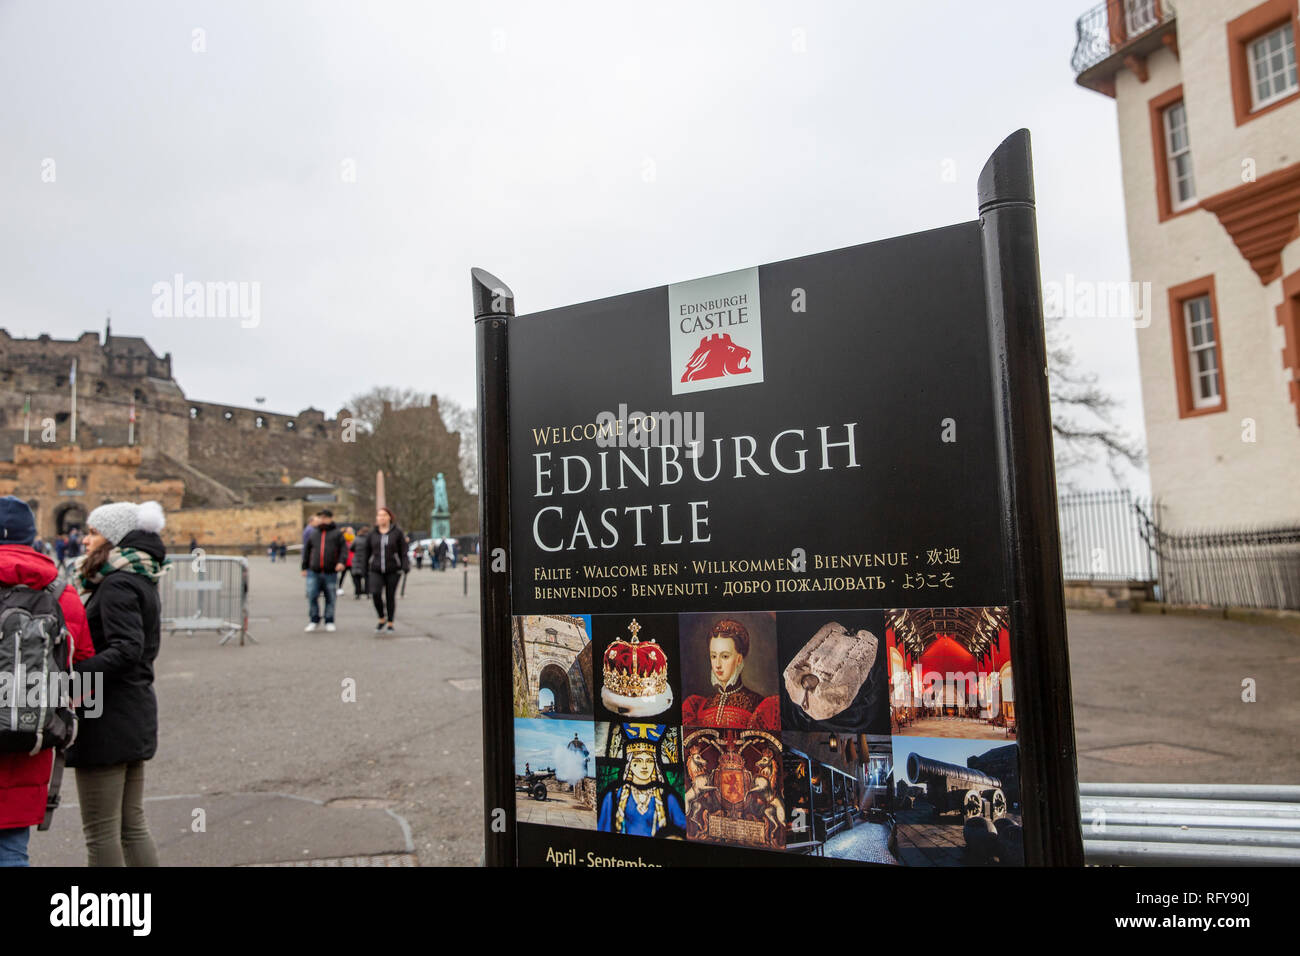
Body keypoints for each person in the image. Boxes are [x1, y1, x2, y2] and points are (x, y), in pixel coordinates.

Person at [68, 499, 166, 867]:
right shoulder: (138, 577)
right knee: (131, 826)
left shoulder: (116, 585)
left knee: (101, 833)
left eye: (93, 533)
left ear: (113, 539)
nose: (84, 540)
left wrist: (74, 678)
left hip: (108, 716)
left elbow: (127, 649)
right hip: (132, 712)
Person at [0, 498, 95, 867]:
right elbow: (84, 668)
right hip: (30, 739)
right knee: (11, 850)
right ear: (32, 538)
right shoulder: (60, 593)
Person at [681, 619, 780, 730]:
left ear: (739, 659)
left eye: (725, 656)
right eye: (713, 656)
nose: (717, 664)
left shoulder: (759, 705)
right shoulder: (699, 706)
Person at [301, 509, 347, 633]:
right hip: (314, 570)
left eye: (325, 517)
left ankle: (329, 620)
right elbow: (307, 550)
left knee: (330, 597)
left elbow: (344, 549)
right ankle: (314, 620)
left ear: (331, 518)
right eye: (321, 517)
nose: (323, 520)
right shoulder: (314, 533)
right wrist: (304, 567)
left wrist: (341, 562)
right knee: (312, 595)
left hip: (330, 570)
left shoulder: (337, 534)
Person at [364, 507, 408, 634]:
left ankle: (390, 623)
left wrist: (405, 565)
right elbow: (366, 552)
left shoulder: (397, 533)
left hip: (393, 569)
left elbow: (403, 551)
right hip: (376, 569)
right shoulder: (372, 534)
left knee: (390, 596)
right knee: (375, 593)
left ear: (389, 517)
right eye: (379, 515)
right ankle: (381, 618)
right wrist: (364, 568)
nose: (381, 518)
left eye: (384, 515)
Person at [350, 525, 370, 599]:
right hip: (366, 560)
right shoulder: (369, 539)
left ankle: (358, 593)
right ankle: (368, 592)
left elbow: (351, 548)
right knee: (367, 578)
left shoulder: (356, 539)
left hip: (357, 560)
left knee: (356, 577)